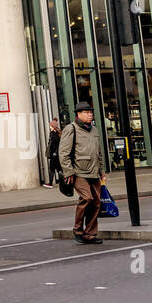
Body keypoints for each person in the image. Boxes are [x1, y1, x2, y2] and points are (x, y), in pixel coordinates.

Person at [59, 101, 106, 245]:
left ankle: (90, 234)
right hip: (78, 172)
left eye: (90, 112)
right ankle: (78, 230)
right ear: (78, 114)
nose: (90, 114)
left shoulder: (94, 130)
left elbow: (98, 153)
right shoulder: (71, 129)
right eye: (86, 112)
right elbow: (63, 153)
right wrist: (69, 172)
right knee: (87, 198)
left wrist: (102, 171)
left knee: (97, 202)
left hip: (94, 172)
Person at [44, 119, 61, 188]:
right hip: (55, 154)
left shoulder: (54, 134)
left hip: (55, 155)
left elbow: (56, 145)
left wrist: (55, 153)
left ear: (52, 126)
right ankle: (63, 183)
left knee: (52, 168)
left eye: (50, 125)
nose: (49, 127)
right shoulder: (55, 133)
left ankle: (50, 184)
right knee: (59, 169)